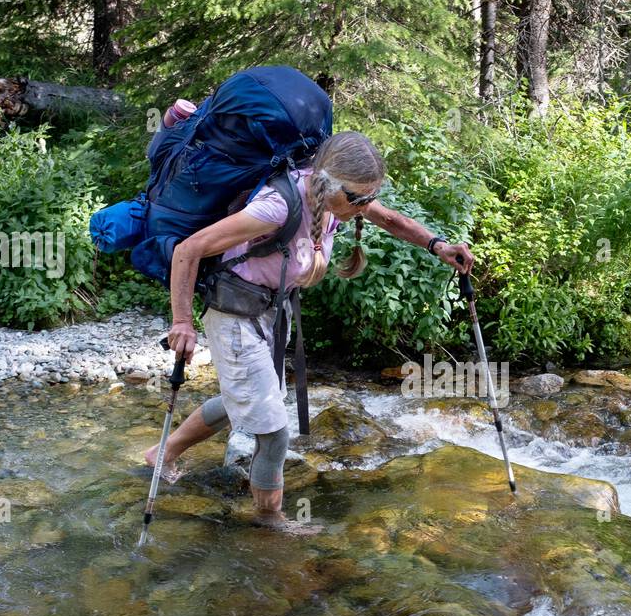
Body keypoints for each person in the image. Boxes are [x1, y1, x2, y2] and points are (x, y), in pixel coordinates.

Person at [160, 130, 474, 524]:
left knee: (246, 397)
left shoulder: (339, 198)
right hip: (234, 315)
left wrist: (438, 245)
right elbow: (187, 250)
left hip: (272, 312)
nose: (363, 207)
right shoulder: (276, 206)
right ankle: (270, 523)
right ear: (326, 182)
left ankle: (165, 452)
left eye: (367, 198)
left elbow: (392, 220)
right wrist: (182, 322)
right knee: (274, 432)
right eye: (357, 198)